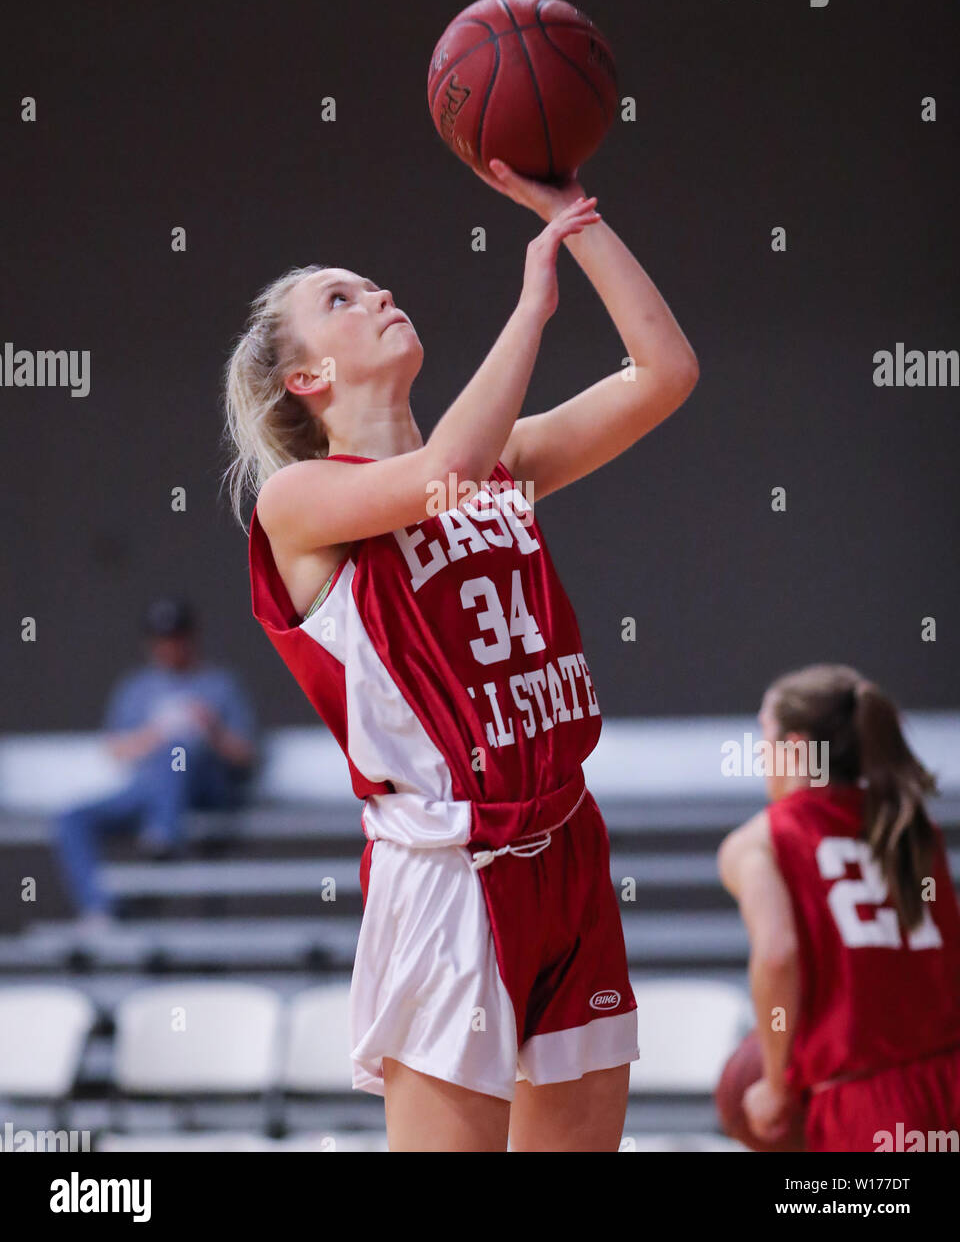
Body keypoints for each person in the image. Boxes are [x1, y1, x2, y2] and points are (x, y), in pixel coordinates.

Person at [223, 157, 699, 1151]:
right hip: (447, 870)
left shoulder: (507, 462)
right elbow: (438, 471)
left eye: (369, 282)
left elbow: (665, 374)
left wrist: (575, 218)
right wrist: (531, 304)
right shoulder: (299, 504)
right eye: (341, 300)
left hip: (567, 843)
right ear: (307, 379)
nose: (379, 293)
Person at [718, 663, 960, 1152]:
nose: (761, 756)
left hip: (865, 1098)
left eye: (764, 737)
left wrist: (775, 1082)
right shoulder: (912, 826)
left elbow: (777, 955)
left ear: (798, 747)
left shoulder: (760, 841)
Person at [55, 597, 257, 933]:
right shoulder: (136, 688)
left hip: (204, 790)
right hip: (147, 791)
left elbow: (247, 755)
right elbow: (116, 749)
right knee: (72, 819)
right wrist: (157, 733)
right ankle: (101, 909)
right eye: (162, 639)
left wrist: (210, 730)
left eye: (177, 637)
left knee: (179, 748)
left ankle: (163, 837)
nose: (170, 646)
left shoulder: (219, 684)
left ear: (191, 638)